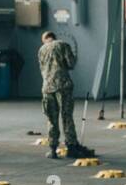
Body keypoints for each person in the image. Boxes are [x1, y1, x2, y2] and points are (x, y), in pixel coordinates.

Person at [38, 31, 94, 159]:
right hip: (63, 86)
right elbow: (71, 64)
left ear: (45, 39)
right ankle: (71, 147)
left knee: (51, 119)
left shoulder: (41, 49)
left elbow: (42, 68)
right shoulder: (63, 44)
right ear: (53, 37)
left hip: (47, 88)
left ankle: (52, 149)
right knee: (66, 116)